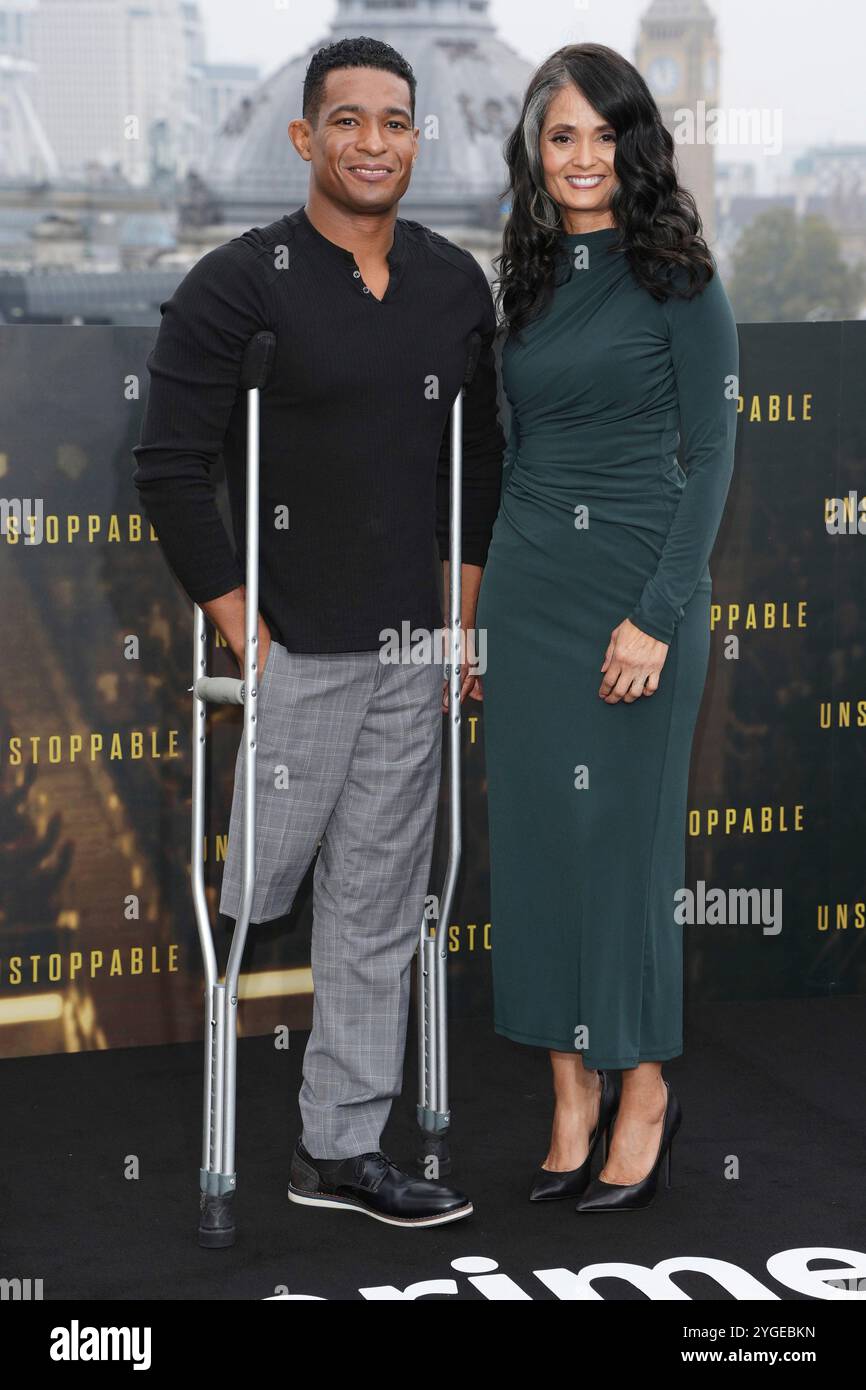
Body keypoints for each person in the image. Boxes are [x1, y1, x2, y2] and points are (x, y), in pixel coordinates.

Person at [132, 36, 505, 1228]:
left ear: (416, 138)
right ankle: (221, 1135)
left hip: (410, 653)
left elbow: (478, 462)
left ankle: (339, 1149)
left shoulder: (454, 286)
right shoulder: (238, 283)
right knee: (256, 898)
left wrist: (457, 621)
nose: (374, 143)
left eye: (395, 123)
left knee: (377, 905)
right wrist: (247, 633)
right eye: (347, 122)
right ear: (306, 137)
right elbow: (170, 463)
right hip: (297, 650)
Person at [475, 42, 739, 1211]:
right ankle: (567, 1095)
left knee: (619, 860)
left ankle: (641, 1092)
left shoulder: (678, 278)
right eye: (558, 136)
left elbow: (712, 453)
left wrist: (654, 616)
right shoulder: (522, 280)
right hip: (528, 596)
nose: (580, 158)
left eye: (601, 135)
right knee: (535, 851)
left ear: (635, 147)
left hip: (636, 594)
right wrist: (479, 617)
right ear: (535, 153)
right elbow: (514, 454)